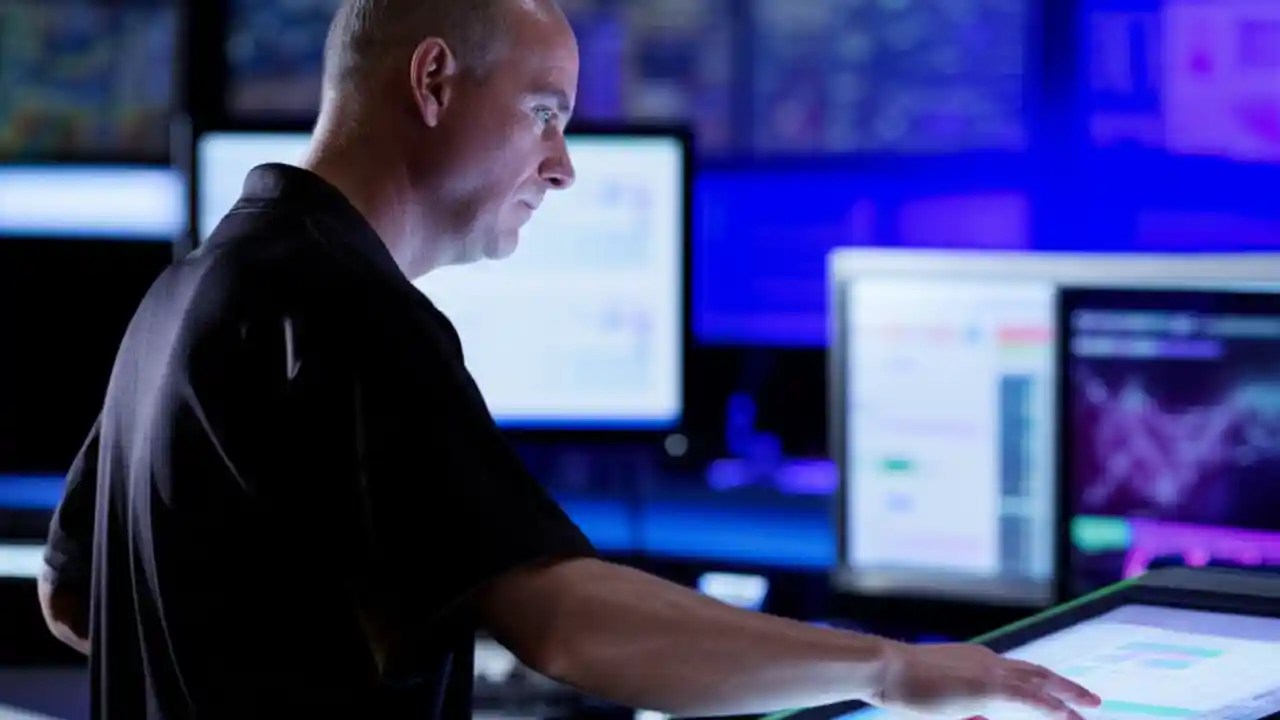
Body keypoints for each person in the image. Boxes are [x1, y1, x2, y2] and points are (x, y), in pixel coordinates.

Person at [38, 0, 1102, 718]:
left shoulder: (191, 287)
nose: (562, 166)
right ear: (434, 81)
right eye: (544, 113)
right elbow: (564, 623)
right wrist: (892, 670)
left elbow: (76, 599)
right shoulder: (345, 305)